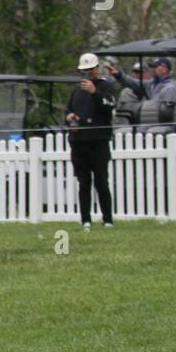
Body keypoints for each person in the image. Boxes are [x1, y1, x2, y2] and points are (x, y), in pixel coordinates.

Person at [65, 53, 118, 230]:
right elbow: (69, 110)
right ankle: (85, 219)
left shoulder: (107, 86)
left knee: (101, 181)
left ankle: (108, 219)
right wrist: (70, 118)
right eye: (83, 71)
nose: (87, 74)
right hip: (79, 142)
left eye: (90, 70)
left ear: (96, 69)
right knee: (84, 182)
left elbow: (109, 105)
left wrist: (94, 92)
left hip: (99, 141)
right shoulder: (76, 91)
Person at [108, 56, 176, 125]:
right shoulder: (152, 83)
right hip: (149, 121)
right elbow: (133, 83)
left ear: (164, 69)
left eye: (155, 67)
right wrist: (118, 75)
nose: (153, 69)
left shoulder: (170, 88)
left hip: (161, 125)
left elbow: (169, 113)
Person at [113, 61, 145, 126]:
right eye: (135, 72)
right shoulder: (125, 92)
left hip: (144, 126)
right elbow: (119, 113)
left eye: (140, 72)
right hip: (126, 127)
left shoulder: (151, 89)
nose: (137, 74)